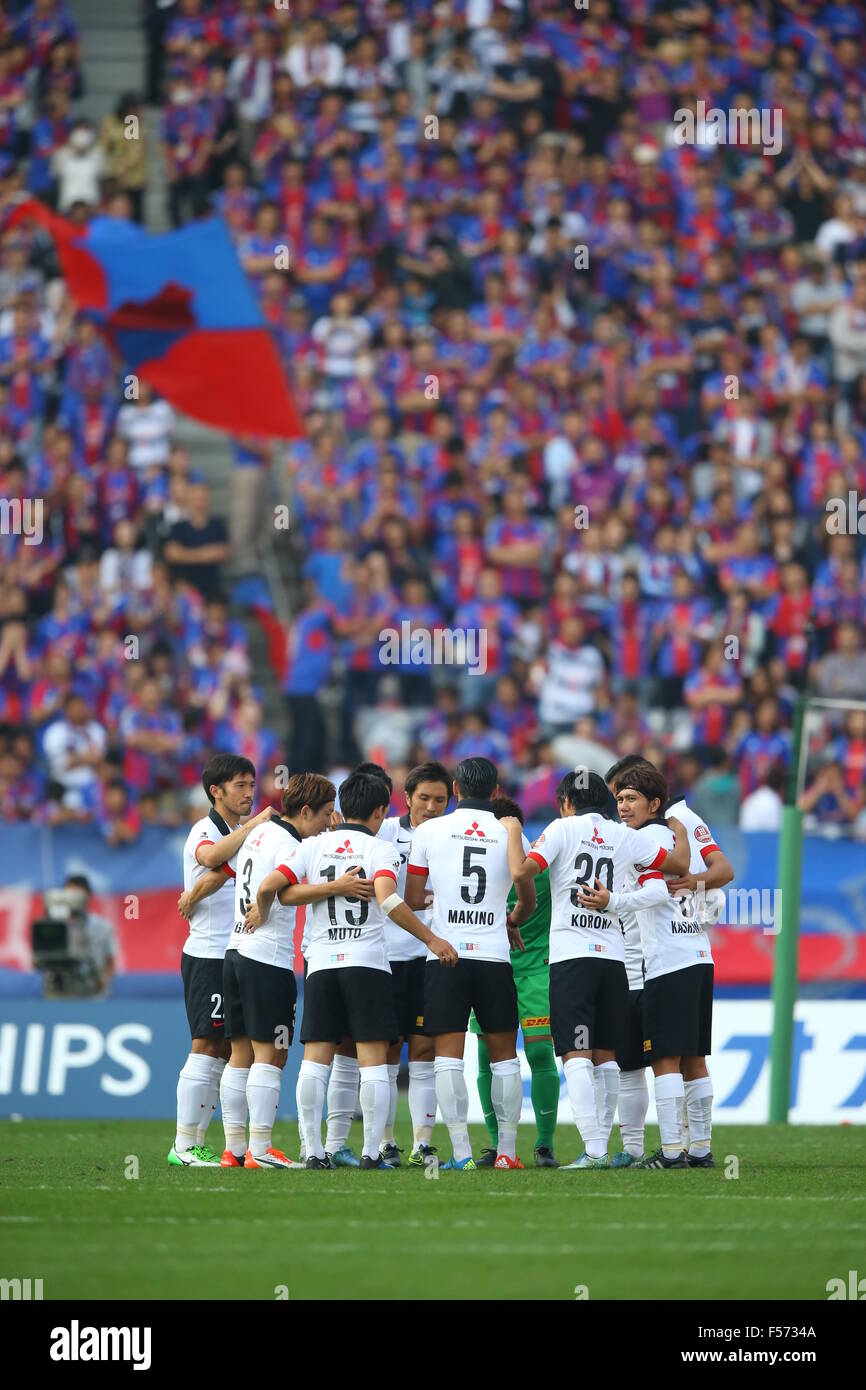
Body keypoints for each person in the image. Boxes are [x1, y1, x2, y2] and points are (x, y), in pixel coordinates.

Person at [265, 770, 457, 1168]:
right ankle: (372, 1151)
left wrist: (328, 888)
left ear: (339, 809)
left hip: (321, 965)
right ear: (380, 811)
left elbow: (280, 890)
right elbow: (387, 900)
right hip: (368, 964)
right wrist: (431, 939)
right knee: (374, 1063)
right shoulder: (379, 848)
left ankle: (313, 1151)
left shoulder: (313, 846)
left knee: (316, 1059)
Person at [504, 768, 689, 1169]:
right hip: (613, 960)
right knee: (606, 1056)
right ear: (607, 802)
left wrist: (512, 832)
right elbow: (676, 864)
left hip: (572, 959)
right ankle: (601, 1147)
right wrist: (680, 829)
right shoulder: (627, 837)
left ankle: (593, 1151)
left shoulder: (561, 829)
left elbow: (522, 872)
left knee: (576, 1054)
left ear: (566, 802)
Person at [226, 773, 369, 1168]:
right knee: (271, 1056)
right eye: (325, 814)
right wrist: (335, 887)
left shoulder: (258, 834)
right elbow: (275, 888)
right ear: (305, 811)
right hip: (266, 958)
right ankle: (260, 1149)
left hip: (235, 951)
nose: (329, 822)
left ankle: (233, 1149)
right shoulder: (289, 843)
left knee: (239, 1055)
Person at [405, 756, 537, 1171]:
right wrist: (510, 919)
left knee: (447, 1058)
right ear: (496, 792)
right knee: (505, 1058)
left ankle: (461, 1153)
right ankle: (507, 1152)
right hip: (494, 957)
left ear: (456, 790)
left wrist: (442, 901)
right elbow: (527, 898)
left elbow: (411, 899)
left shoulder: (428, 830)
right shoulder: (512, 834)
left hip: (446, 956)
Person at [168, 754, 273, 1168]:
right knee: (207, 1044)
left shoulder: (237, 831)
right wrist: (253, 827)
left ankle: (203, 1142)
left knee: (229, 1049)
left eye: (252, 784)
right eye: (240, 786)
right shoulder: (205, 829)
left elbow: (221, 872)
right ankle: (182, 1144)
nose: (249, 793)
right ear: (216, 791)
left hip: (232, 954)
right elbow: (212, 859)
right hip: (207, 953)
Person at [469, 796, 560, 1168]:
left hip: (536, 966)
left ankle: (544, 1144)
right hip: (491, 966)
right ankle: (497, 1144)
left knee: (539, 1051)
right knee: (486, 1056)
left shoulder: (542, 860)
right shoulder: (475, 865)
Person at [377, 758, 452, 1167]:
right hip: (386, 957)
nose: (431, 806)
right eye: (423, 797)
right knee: (387, 1051)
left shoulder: (453, 837)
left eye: (440, 799)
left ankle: (423, 1143)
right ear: (406, 798)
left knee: (424, 1050)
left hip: (429, 958)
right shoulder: (385, 832)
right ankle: (387, 1141)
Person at [61, 874, 116, 996]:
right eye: (69, 895)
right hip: (64, 995)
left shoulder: (103, 927)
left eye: (77, 896)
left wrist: (103, 981)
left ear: (89, 896)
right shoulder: (56, 926)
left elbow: (110, 962)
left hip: (93, 996)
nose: (73, 900)